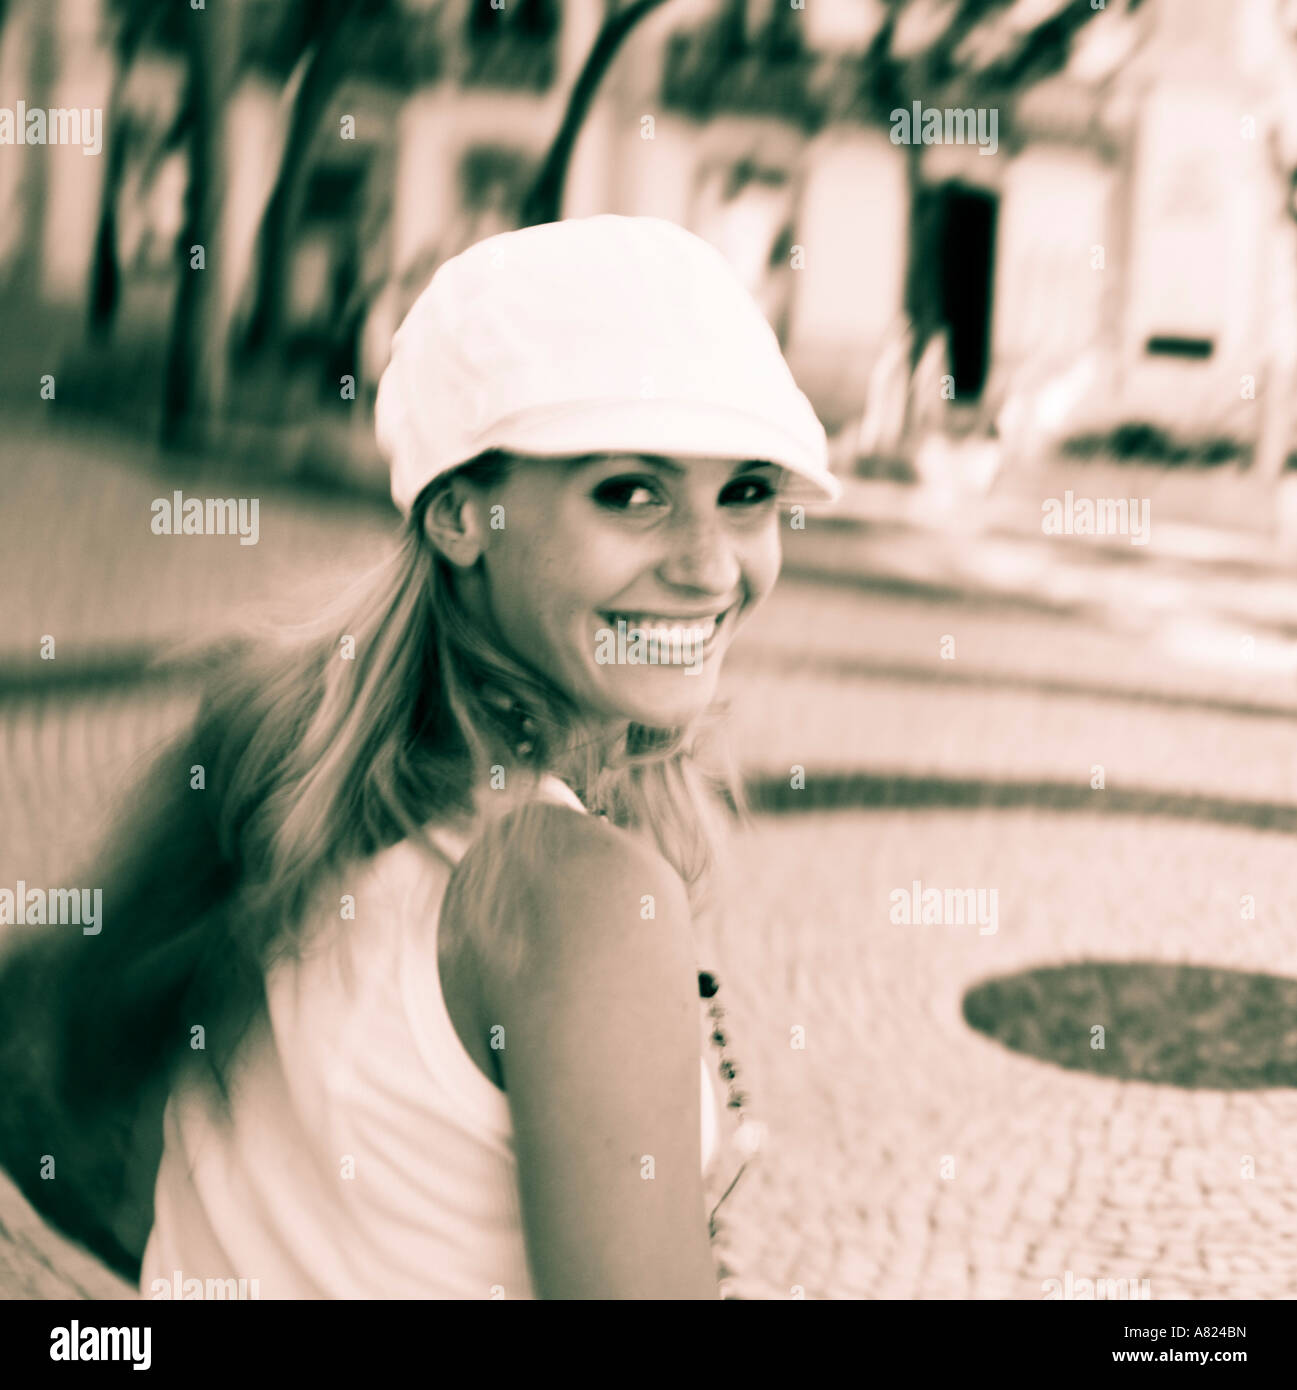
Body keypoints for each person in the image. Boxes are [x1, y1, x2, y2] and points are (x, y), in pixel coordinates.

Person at [48, 215, 840, 1299]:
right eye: (631, 492)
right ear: (463, 510)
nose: (710, 566)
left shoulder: (279, 737)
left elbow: (98, 1101)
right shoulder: (574, 899)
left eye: (747, 492)